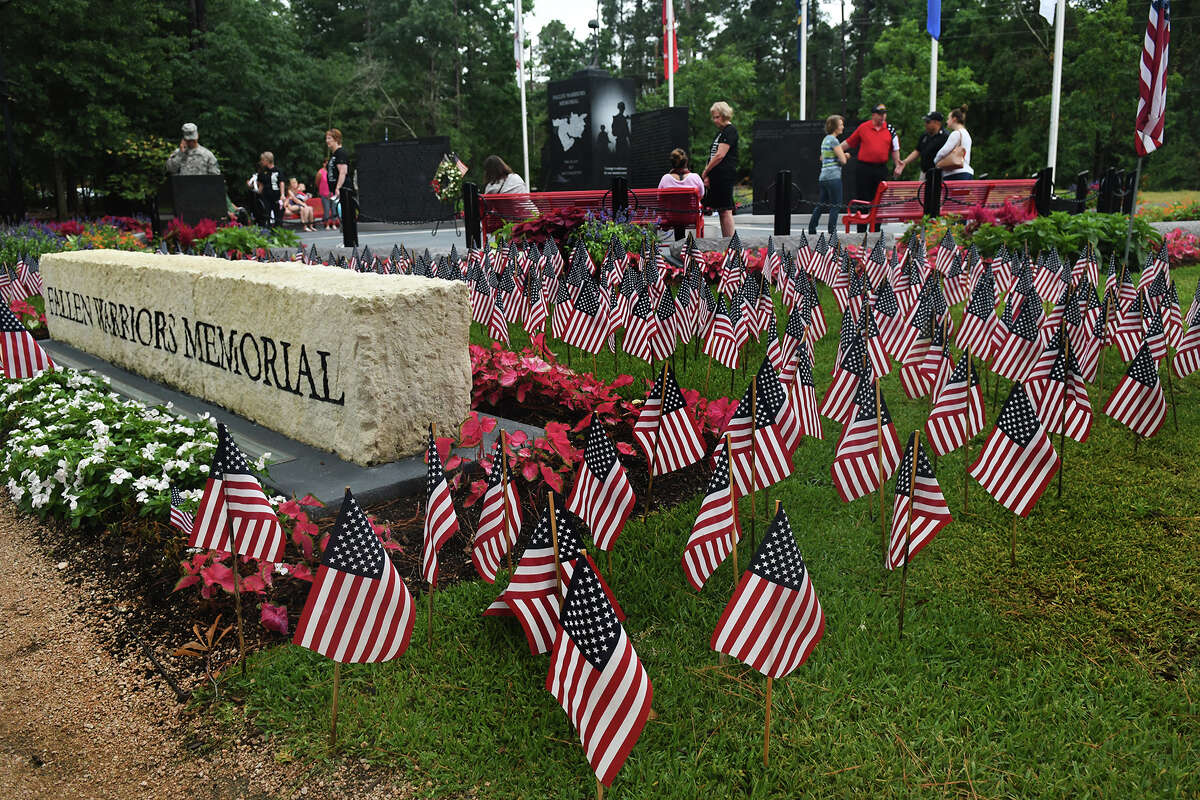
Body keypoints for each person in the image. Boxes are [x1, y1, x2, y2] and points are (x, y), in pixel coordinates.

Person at [842, 103, 901, 232]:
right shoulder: (864, 127)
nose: (883, 116)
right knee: (862, 199)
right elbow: (849, 142)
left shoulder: (890, 129)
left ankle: (875, 230)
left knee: (878, 199)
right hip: (864, 168)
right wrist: (834, 151)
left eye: (884, 114)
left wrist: (897, 165)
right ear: (873, 115)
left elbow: (895, 149)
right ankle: (861, 230)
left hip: (880, 169)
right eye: (880, 114)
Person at [700, 101, 738, 238]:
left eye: (717, 117)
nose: (714, 120)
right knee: (722, 210)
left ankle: (731, 242)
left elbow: (719, 155)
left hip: (724, 176)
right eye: (714, 117)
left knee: (726, 210)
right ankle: (726, 241)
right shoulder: (721, 133)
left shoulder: (730, 131)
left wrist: (706, 171)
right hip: (717, 177)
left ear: (724, 115)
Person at [809, 115, 848, 235]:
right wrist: (846, 155)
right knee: (835, 206)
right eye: (841, 124)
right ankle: (832, 232)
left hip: (824, 177)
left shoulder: (825, 140)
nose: (843, 127)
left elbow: (823, 158)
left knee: (821, 205)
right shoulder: (834, 140)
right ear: (835, 127)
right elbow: (843, 161)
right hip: (833, 177)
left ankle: (812, 228)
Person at [894, 111, 949, 178]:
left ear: (937, 123)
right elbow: (917, 151)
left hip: (939, 173)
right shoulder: (925, 135)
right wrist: (905, 162)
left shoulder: (945, 136)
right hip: (924, 172)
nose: (925, 124)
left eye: (928, 122)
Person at [935, 106, 974, 180]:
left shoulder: (956, 133)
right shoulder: (967, 135)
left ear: (954, 119)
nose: (947, 121)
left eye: (948, 118)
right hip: (967, 172)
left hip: (955, 173)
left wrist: (936, 161)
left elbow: (943, 152)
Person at [325, 128, 350, 228]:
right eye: (326, 138)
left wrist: (338, 188)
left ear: (336, 139)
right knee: (342, 216)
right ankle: (346, 240)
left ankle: (349, 242)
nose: (327, 141)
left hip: (343, 189)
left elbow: (343, 172)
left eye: (329, 138)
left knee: (345, 215)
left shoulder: (341, 153)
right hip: (337, 190)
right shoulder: (334, 154)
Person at [253, 152, 286, 227]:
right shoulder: (262, 172)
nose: (261, 162)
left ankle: (278, 232)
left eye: (262, 160)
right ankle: (266, 231)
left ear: (267, 160)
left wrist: (282, 194)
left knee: (278, 215)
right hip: (266, 197)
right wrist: (258, 194)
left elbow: (281, 182)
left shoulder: (277, 170)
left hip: (276, 196)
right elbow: (261, 184)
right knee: (265, 215)